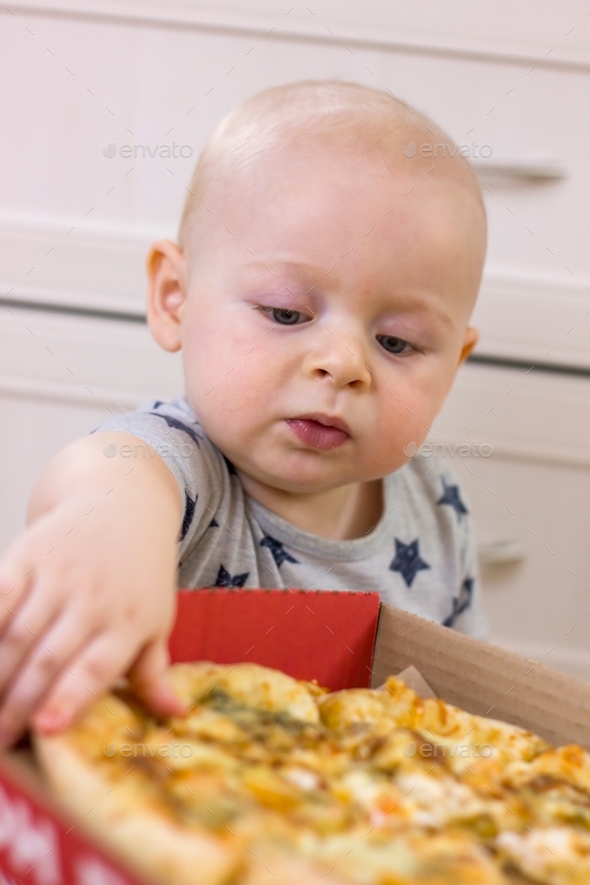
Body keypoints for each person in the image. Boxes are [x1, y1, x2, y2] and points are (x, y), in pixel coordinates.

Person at [0, 80, 488, 747]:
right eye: (287, 312)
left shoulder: (437, 507)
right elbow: (112, 474)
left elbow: (470, 707)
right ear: (175, 297)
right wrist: (98, 533)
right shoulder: (184, 467)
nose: (343, 363)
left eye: (397, 341)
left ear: (454, 364)